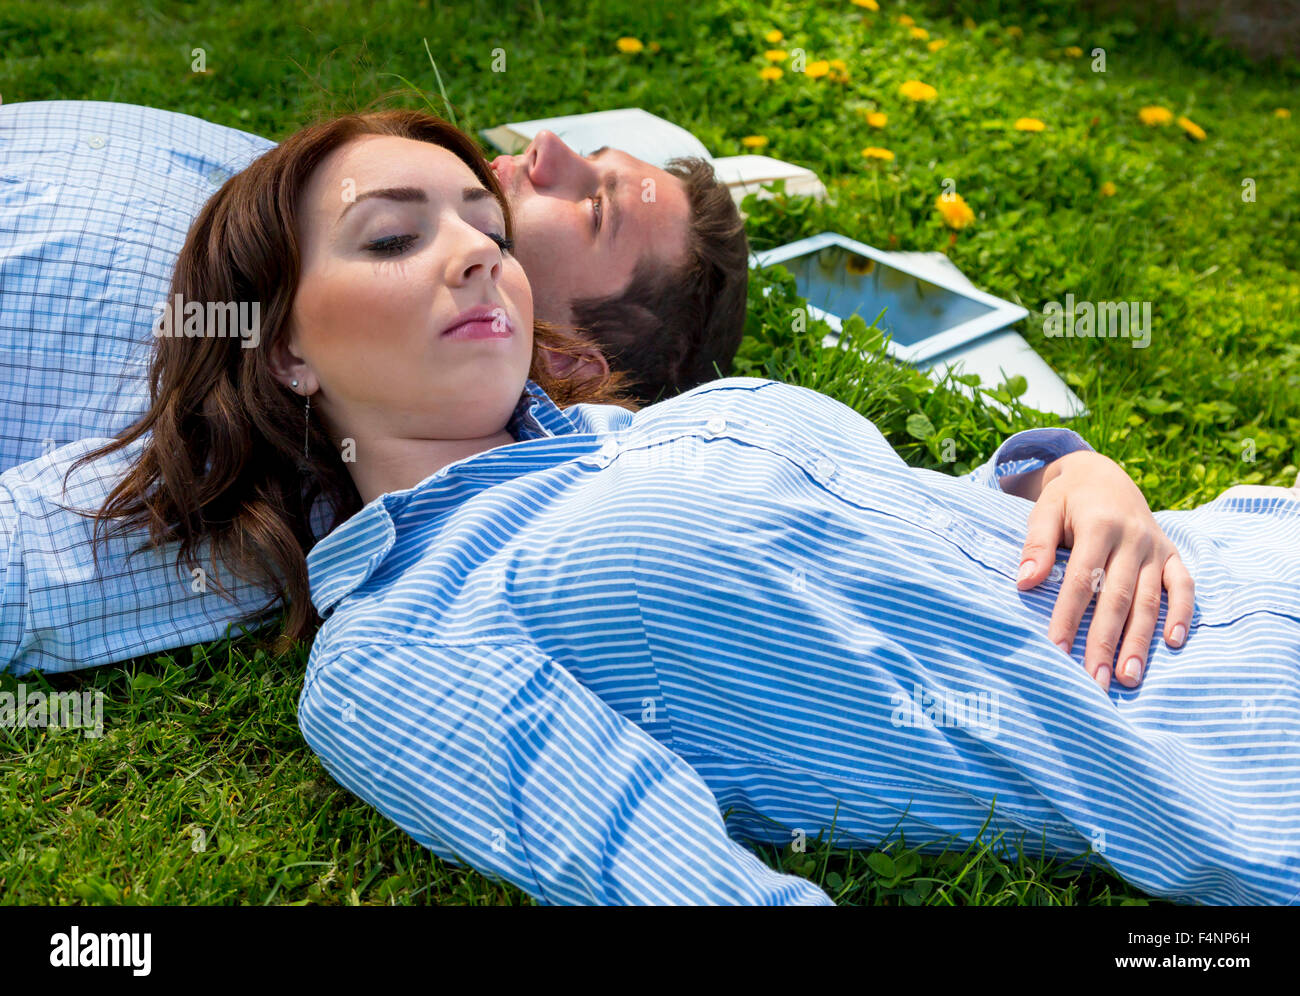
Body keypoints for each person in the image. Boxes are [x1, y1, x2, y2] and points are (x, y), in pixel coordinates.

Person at [66, 109, 1300, 906]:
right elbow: (656, 874)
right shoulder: (401, 646)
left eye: (484, 228)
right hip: (1246, 756)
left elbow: (944, 510)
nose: (478, 253)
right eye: (393, 238)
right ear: (286, 355)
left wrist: (1072, 470)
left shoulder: (639, 427)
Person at [0, 101, 1189, 679]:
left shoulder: (269, 487)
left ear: (567, 355)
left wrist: (1068, 465)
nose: (545, 152)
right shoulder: (306, 196)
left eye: (589, 207)